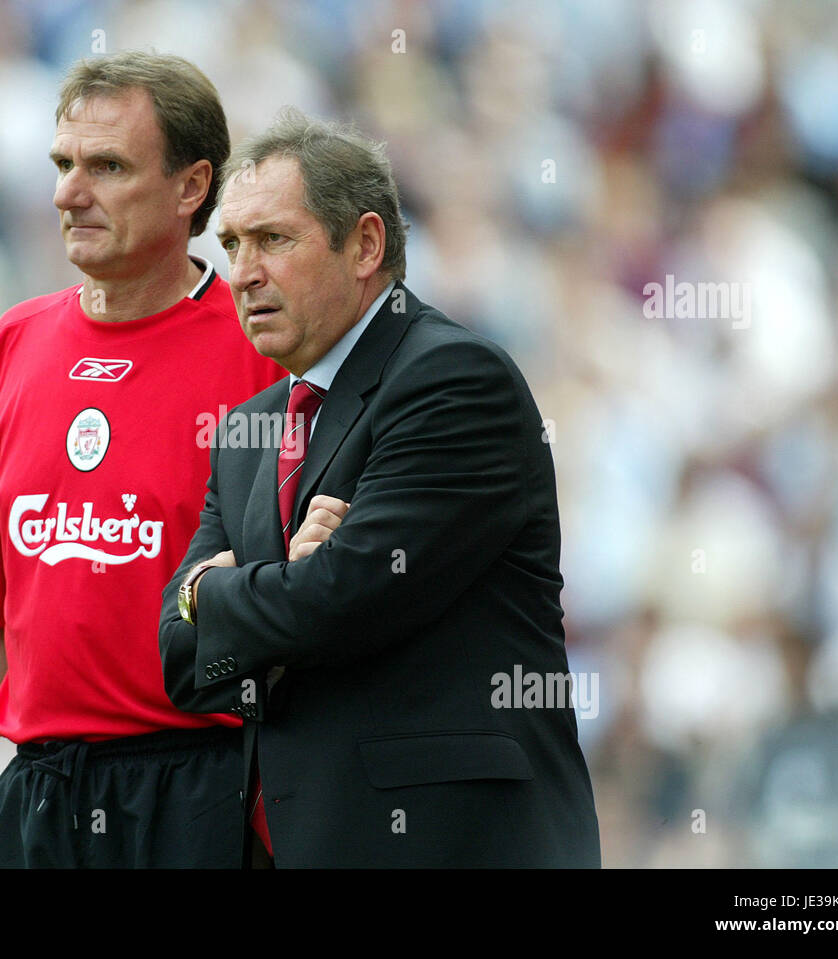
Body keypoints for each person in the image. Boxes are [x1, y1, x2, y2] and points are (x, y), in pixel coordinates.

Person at [158, 109, 601, 867]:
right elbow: (180, 663)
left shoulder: (454, 380)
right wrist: (275, 588)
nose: (242, 272)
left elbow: (339, 600)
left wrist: (212, 593)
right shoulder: (245, 432)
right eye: (231, 244)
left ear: (365, 244)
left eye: (273, 239)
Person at [0, 52, 282, 869]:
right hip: (36, 796)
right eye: (63, 164)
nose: (70, 192)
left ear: (191, 186)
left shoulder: (263, 354)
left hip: (199, 791)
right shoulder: (12, 347)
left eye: (107, 166)